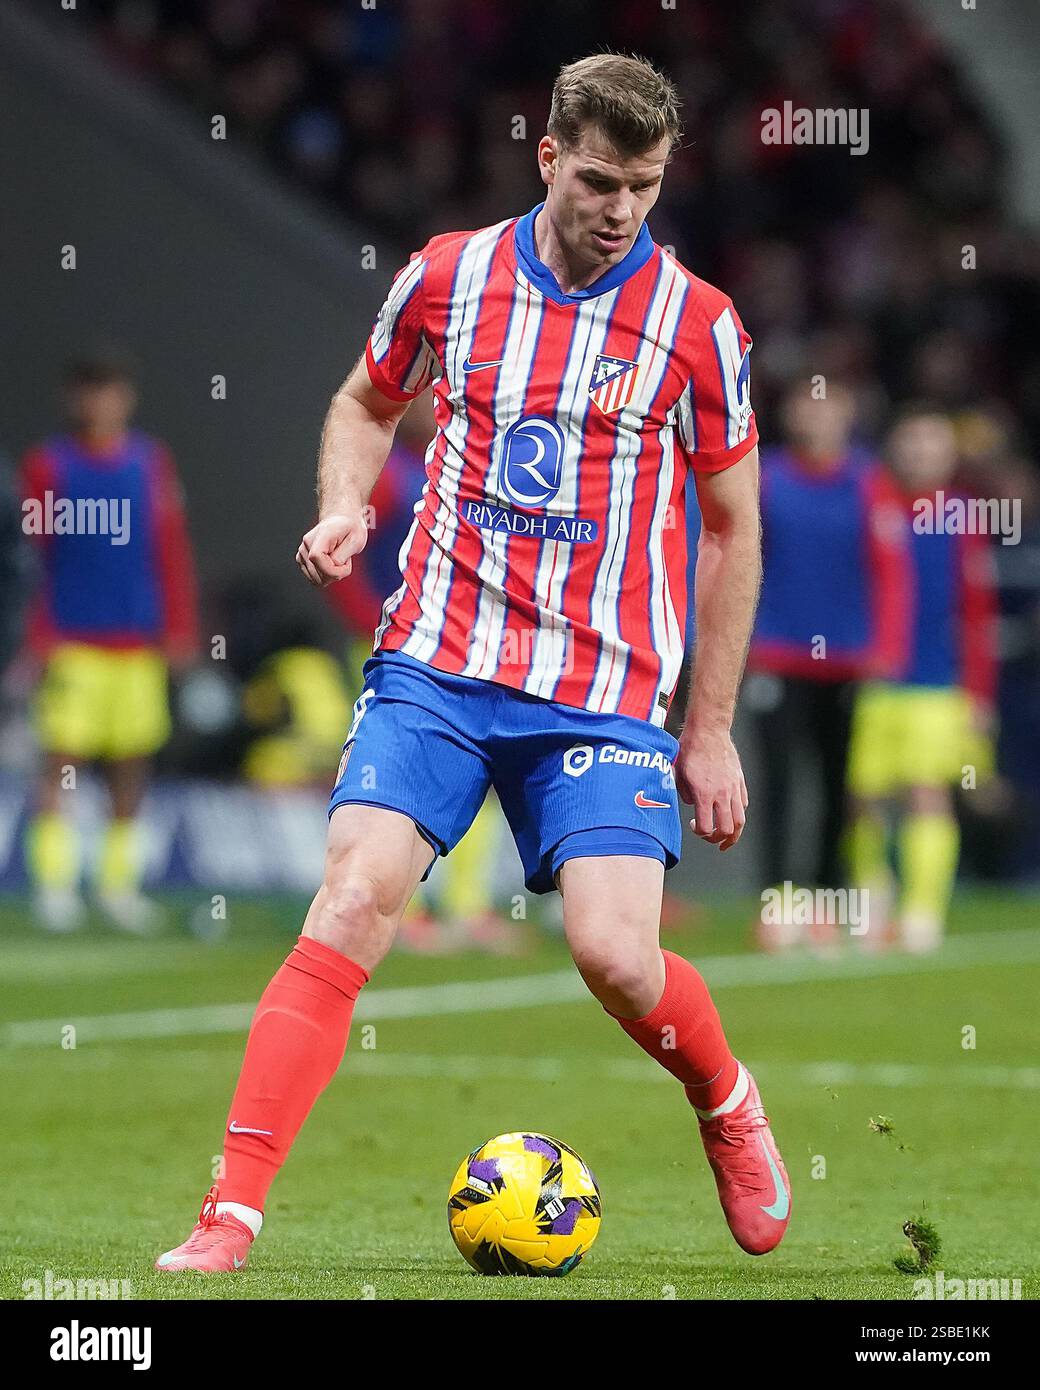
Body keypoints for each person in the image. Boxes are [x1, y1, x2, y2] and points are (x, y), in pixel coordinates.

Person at [157, 52, 789, 1273]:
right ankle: (227, 1215)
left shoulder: (698, 326)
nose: (620, 208)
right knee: (348, 900)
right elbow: (362, 400)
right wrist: (346, 502)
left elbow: (730, 526)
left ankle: (726, 1103)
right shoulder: (445, 276)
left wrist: (704, 727)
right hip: (438, 660)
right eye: (599, 179)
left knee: (613, 955)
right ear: (547, 156)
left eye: (645, 187)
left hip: (601, 687)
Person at [19, 350, 198, 933]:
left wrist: (179, 629)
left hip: (137, 644)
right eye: (91, 391)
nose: (101, 403)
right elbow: (30, 559)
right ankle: (55, 884)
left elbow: (169, 550)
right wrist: (36, 633)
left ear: (127, 397)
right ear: (75, 399)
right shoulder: (49, 467)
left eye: (111, 390)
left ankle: (119, 886)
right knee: (61, 763)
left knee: (131, 766)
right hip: (72, 642)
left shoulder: (151, 464)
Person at [747, 380, 910, 943]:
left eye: (829, 407)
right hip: (777, 653)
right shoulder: (767, 476)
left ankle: (825, 898)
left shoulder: (868, 481)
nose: (817, 418)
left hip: (845, 659)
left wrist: (886, 648)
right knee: (775, 783)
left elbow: (890, 569)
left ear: (848, 416)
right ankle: (777, 902)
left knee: (840, 785)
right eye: (807, 405)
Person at [846, 405, 998, 951]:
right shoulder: (870, 500)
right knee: (862, 795)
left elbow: (977, 610)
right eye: (912, 441)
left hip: (938, 681)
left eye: (933, 444)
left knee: (927, 794)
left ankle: (922, 911)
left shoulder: (962, 516)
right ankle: (870, 901)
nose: (920, 453)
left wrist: (979, 692)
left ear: (950, 455)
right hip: (874, 678)